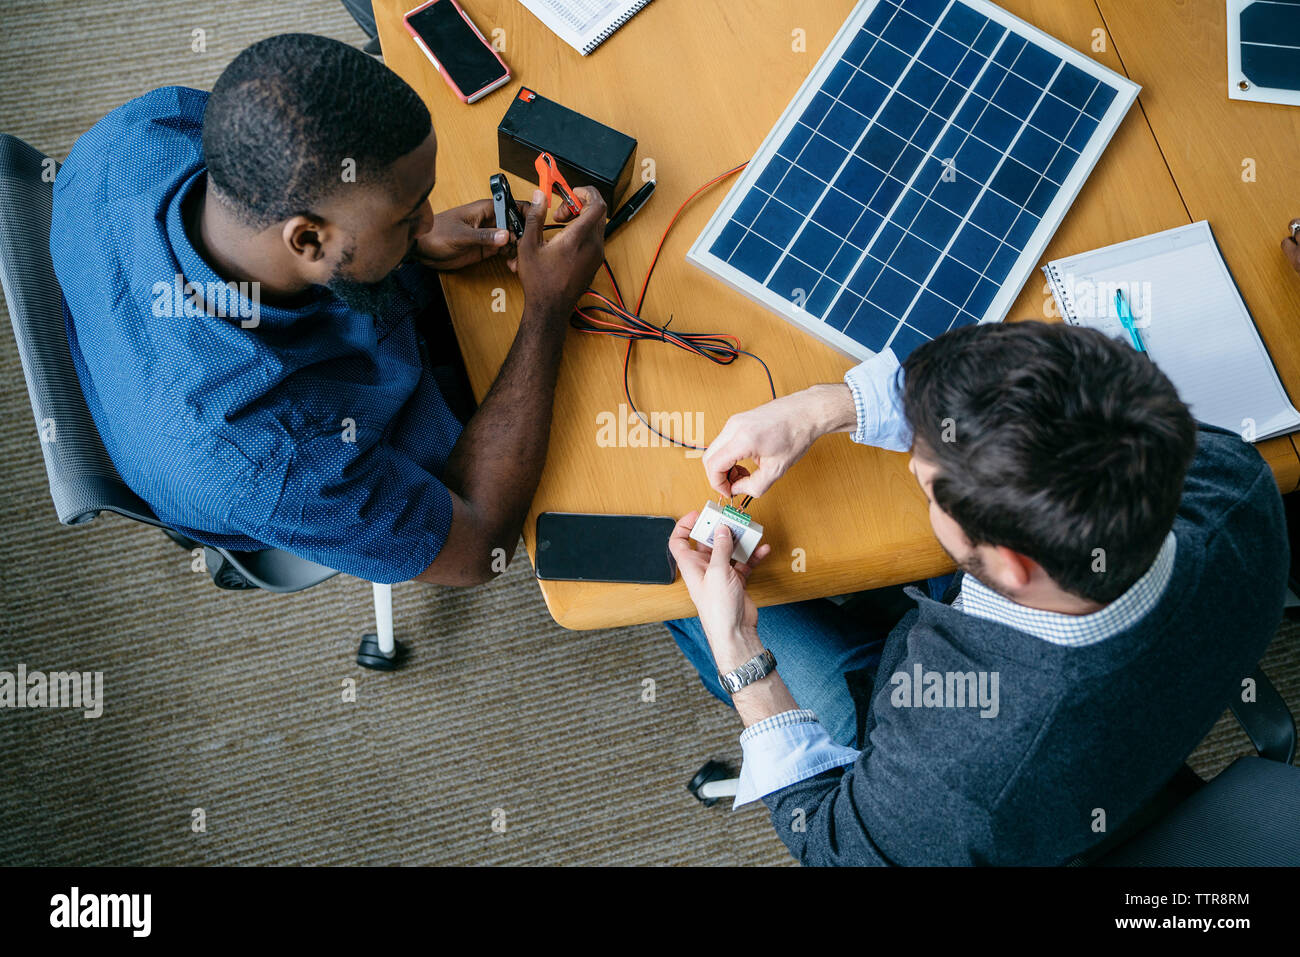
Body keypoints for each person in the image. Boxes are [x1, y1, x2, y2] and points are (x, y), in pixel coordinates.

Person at [667, 320, 1288, 865]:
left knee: (687, 606)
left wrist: (738, 649)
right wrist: (826, 407)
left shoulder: (956, 781)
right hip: (1135, 695)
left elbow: (838, 848)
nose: (913, 465)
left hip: (930, 742)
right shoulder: (1232, 483)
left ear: (1013, 566)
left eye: (932, 486)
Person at [50, 33, 605, 587]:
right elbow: (484, 545)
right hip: (321, 455)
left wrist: (404, 244)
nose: (433, 220)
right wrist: (547, 311)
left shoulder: (139, 132)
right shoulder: (266, 461)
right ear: (308, 242)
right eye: (409, 215)